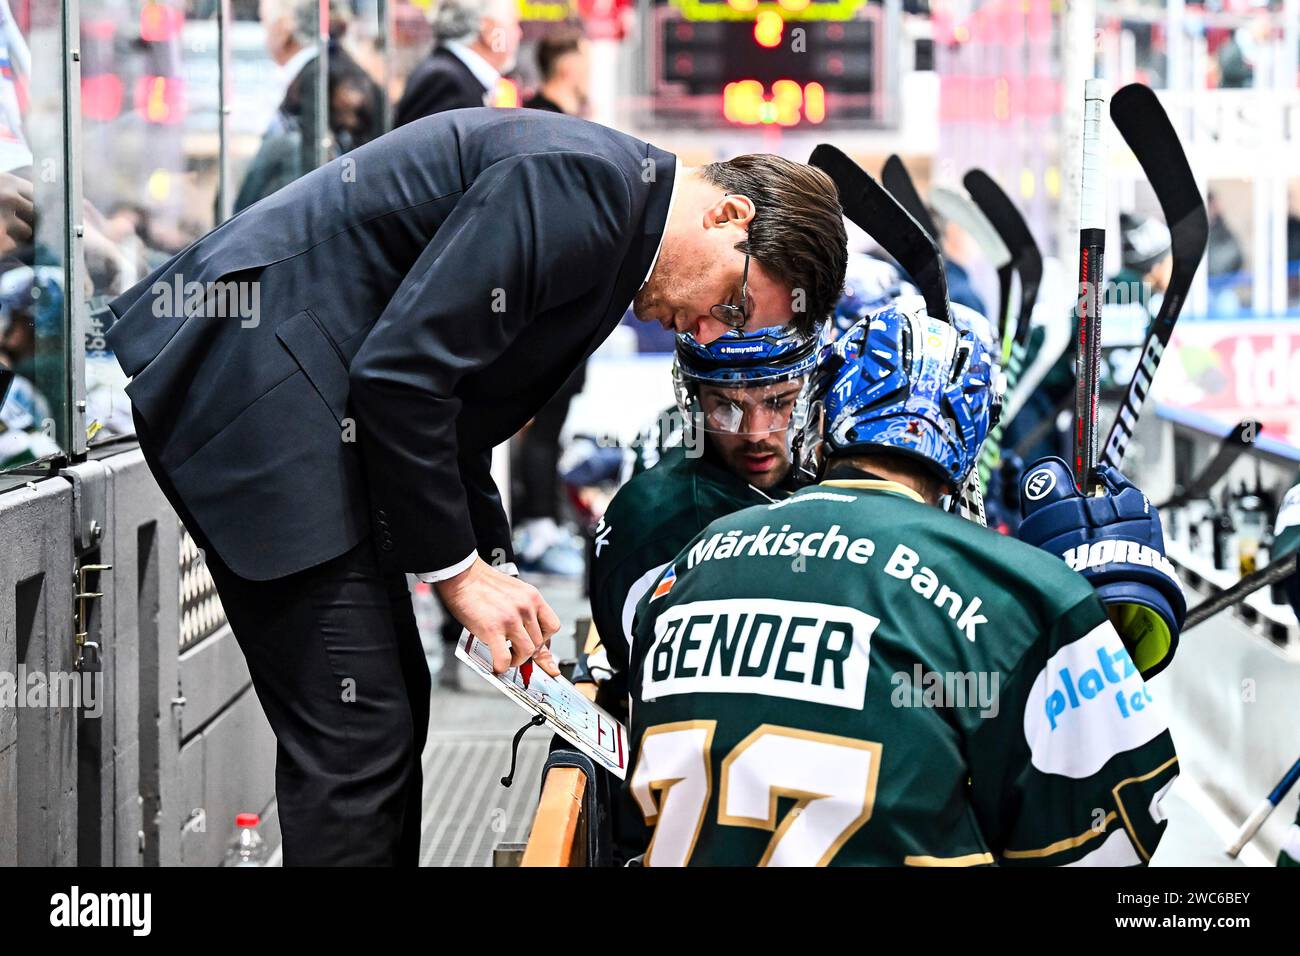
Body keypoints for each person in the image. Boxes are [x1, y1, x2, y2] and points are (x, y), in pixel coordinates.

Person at [103, 107, 848, 865]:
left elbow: (452, 412)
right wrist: (459, 573)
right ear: (729, 216)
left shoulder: (615, 221)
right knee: (359, 739)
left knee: (386, 714)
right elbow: (401, 378)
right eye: (731, 305)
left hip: (304, 398)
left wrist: (494, 565)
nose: (711, 335)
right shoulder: (585, 187)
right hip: (261, 392)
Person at [620, 303, 1181, 866]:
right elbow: (1118, 836)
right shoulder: (1017, 591)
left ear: (822, 413)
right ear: (970, 439)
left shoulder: (690, 562)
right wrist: (1094, 628)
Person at [580, 323, 824, 713]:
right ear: (692, 400)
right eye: (727, 406)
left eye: (779, 402)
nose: (755, 433)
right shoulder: (656, 525)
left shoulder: (833, 465)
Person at [394, 0, 521, 126]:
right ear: (489, 31)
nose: (519, 33)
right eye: (514, 24)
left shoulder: (450, 75)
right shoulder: (444, 80)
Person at [522, 28, 589, 116]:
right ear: (569, 70)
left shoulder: (533, 114)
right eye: (587, 68)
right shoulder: (548, 122)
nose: (589, 77)